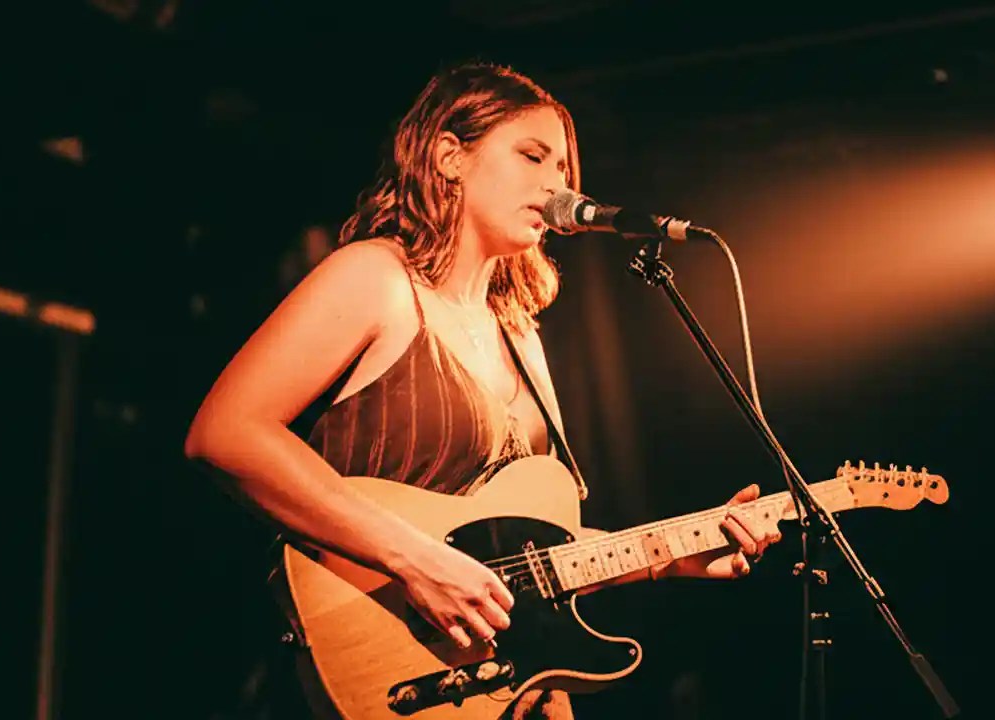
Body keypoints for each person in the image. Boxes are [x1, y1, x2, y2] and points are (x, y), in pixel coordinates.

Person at [183, 61, 782, 720]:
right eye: (533, 156)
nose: (558, 185)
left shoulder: (521, 333)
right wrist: (416, 561)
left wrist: (670, 558)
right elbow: (225, 432)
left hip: (494, 688)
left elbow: (529, 555)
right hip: (367, 669)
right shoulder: (375, 278)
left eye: (563, 169)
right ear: (450, 156)